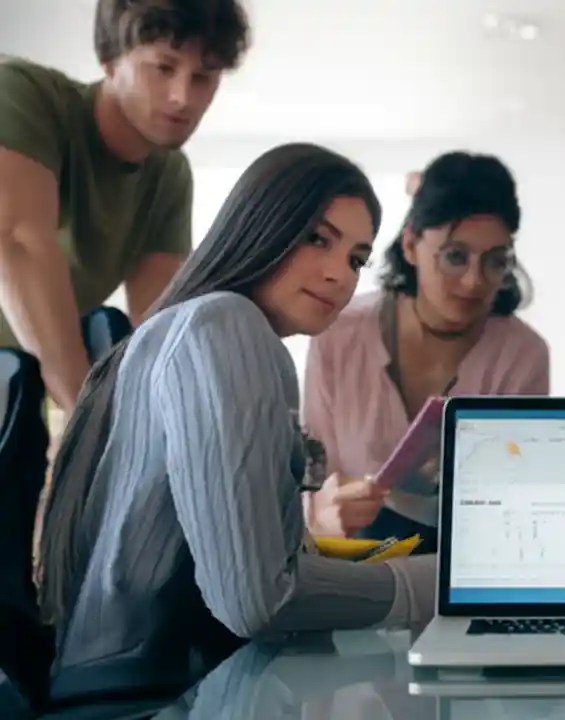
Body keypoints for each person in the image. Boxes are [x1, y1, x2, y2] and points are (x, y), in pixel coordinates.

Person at [36, 143, 438, 705]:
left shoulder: (188, 328)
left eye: (355, 259)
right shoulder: (224, 327)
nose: (338, 276)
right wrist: (434, 583)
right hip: (155, 697)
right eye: (318, 239)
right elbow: (256, 600)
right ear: (261, 226)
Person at [0, 0, 249, 411]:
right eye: (163, 68)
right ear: (110, 60)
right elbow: (18, 244)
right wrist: (89, 418)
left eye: (203, 77)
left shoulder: (169, 175)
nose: (182, 97)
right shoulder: (22, 96)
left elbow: (159, 326)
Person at [303, 151, 548, 550]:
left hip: (465, 567)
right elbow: (309, 484)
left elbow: (515, 505)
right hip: (347, 570)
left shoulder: (522, 356)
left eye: (495, 261)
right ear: (411, 244)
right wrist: (327, 513)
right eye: (455, 256)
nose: (473, 281)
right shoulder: (338, 334)